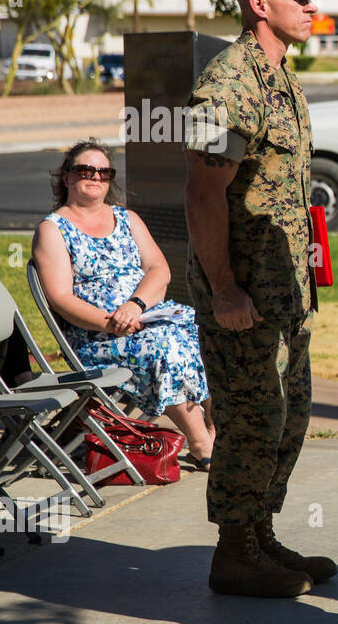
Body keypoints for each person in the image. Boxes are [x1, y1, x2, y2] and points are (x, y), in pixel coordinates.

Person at [182, 0, 336, 599]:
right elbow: (200, 193)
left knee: (288, 415)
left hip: (284, 292)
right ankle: (234, 551)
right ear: (258, 2)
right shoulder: (230, 80)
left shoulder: (281, 78)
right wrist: (223, 289)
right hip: (241, 294)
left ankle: (259, 534)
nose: (311, 8)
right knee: (250, 419)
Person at [31, 139, 214, 468]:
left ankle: (218, 429)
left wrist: (136, 306)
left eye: (104, 172)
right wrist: (113, 321)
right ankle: (201, 443)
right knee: (164, 347)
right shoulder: (53, 229)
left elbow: (159, 270)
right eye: (86, 170)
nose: (96, 177)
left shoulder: (127, 218)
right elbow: (61, 299)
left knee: (204, 332)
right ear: (66, 178)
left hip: (147, 315)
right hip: (96, 336)